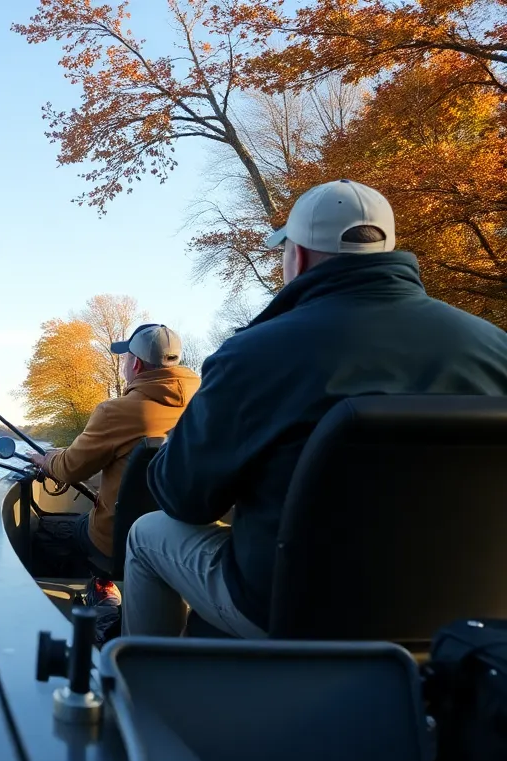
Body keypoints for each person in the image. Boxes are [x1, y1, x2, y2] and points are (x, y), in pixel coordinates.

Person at [121, 179, 507, 638]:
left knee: (147, 534)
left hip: (292, 612)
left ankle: (145, 692)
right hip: (471, 618)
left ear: (297, 257)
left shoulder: (252, 356)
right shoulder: (494, 347)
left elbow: (183, 500)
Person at [29, 323, 201, 594]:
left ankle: (98, 594)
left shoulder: (116, 412)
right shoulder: (206, 404)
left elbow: (70, 469)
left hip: (118, 544)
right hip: (184, 544)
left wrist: (47, 459)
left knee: (48, 531)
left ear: (136, 366)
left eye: (126, 357)